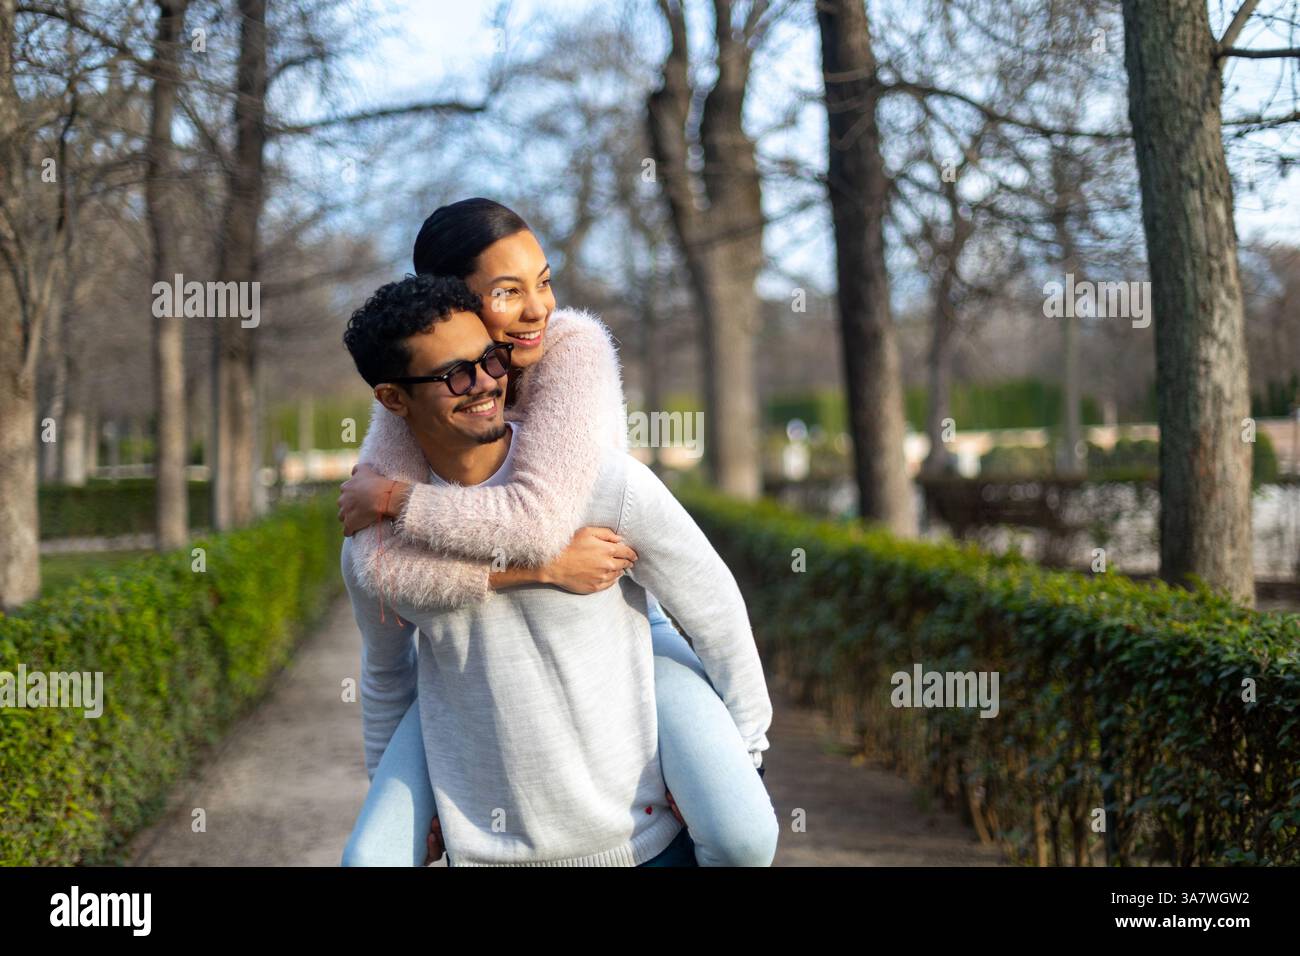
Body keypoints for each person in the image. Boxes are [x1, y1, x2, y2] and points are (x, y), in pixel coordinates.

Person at [339, 198, 777, 866]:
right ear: (454, 302)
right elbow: (385, 579)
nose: (540, 308)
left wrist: (746, 753)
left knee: (744, 828)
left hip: (635, 642)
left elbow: (538, 523)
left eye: (543, 281)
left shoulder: (572, 359)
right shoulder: (406, 396)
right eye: (508, 291)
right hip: (465, 678)